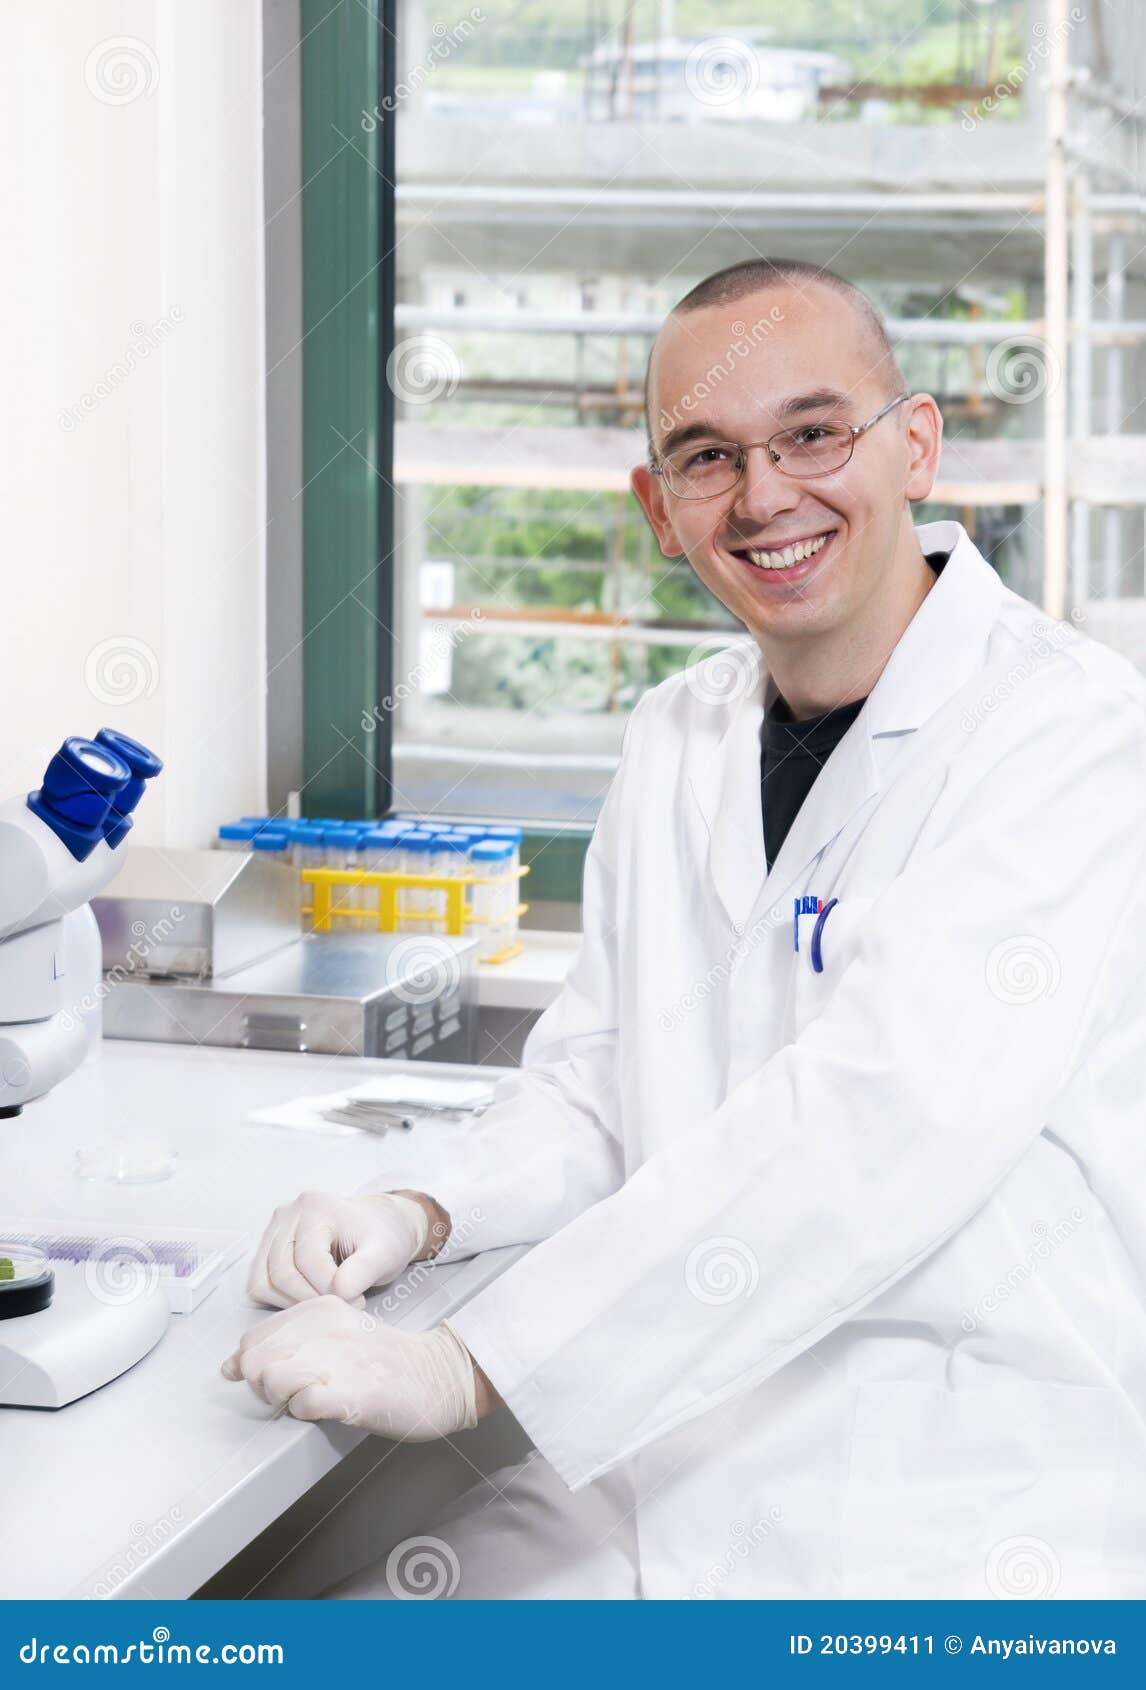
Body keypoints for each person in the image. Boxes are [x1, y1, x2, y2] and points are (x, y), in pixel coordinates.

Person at [223, 258, 1146, 1600]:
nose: (764, 496)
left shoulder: (1069, 732)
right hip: (666, 1466)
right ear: (659, 508)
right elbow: (601, 1087)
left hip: (946, 1503)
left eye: (812, 433)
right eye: (708, 456)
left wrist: (468, 1363)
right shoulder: (679, 733)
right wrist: (419, 1209)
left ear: (916, 446)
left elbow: (881, 1123)